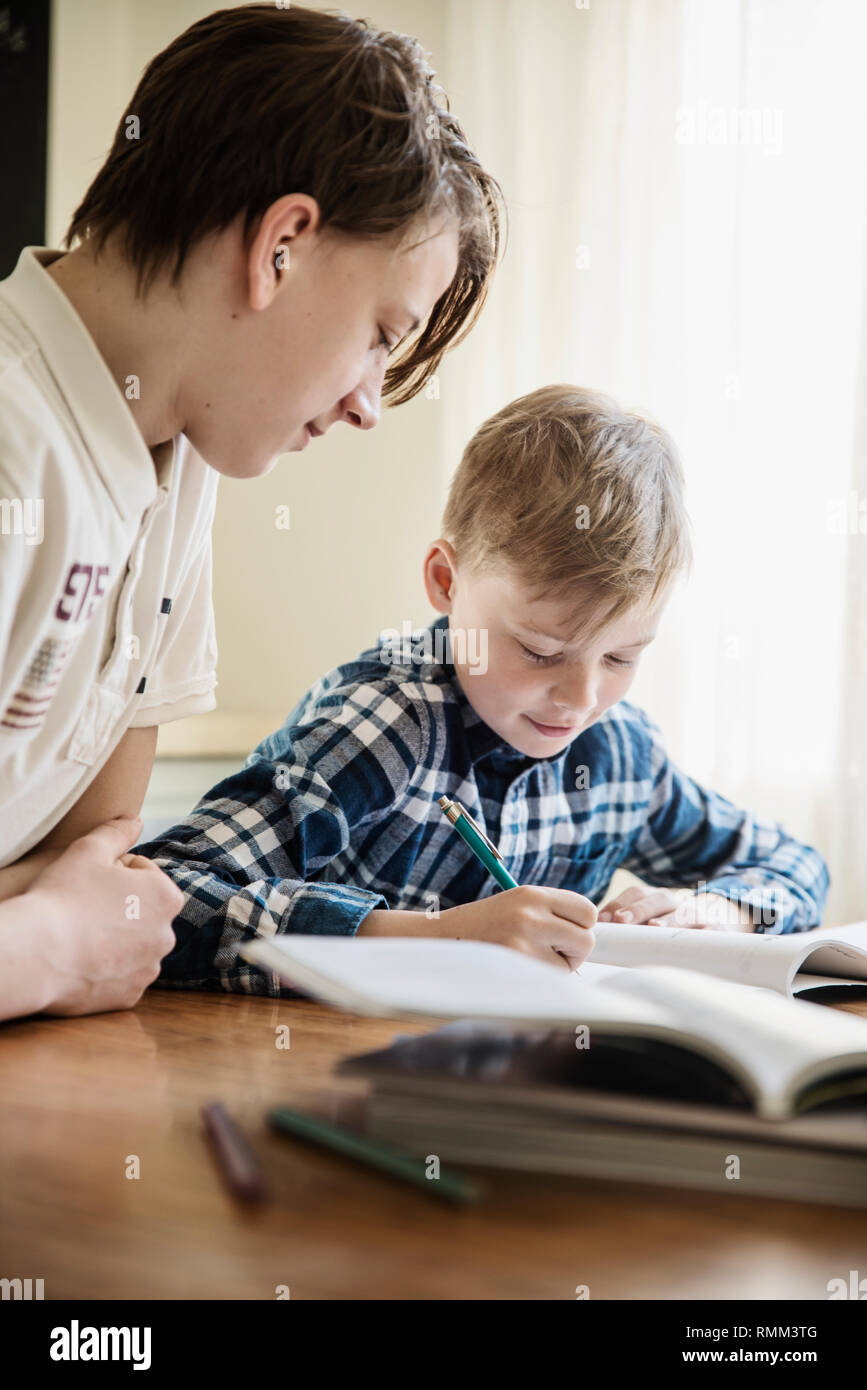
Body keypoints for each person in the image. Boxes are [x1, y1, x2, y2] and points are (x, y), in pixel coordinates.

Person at [0, 4, 503, 1020]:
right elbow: (76, 924)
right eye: (379, 332)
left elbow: (107, 875)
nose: (369, 401)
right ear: (282, 245)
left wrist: (53, 927)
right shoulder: (17, 446)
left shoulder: (179, 454)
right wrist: (43, 944)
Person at [136, 385, 829, 995]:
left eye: (621, 657)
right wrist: (433, 938)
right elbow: (162, 897)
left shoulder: (620, 754)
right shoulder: (386, 724)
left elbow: (794, 868)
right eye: (539, 650)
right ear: (446, 581)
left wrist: (723, 911)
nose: (579, 699)